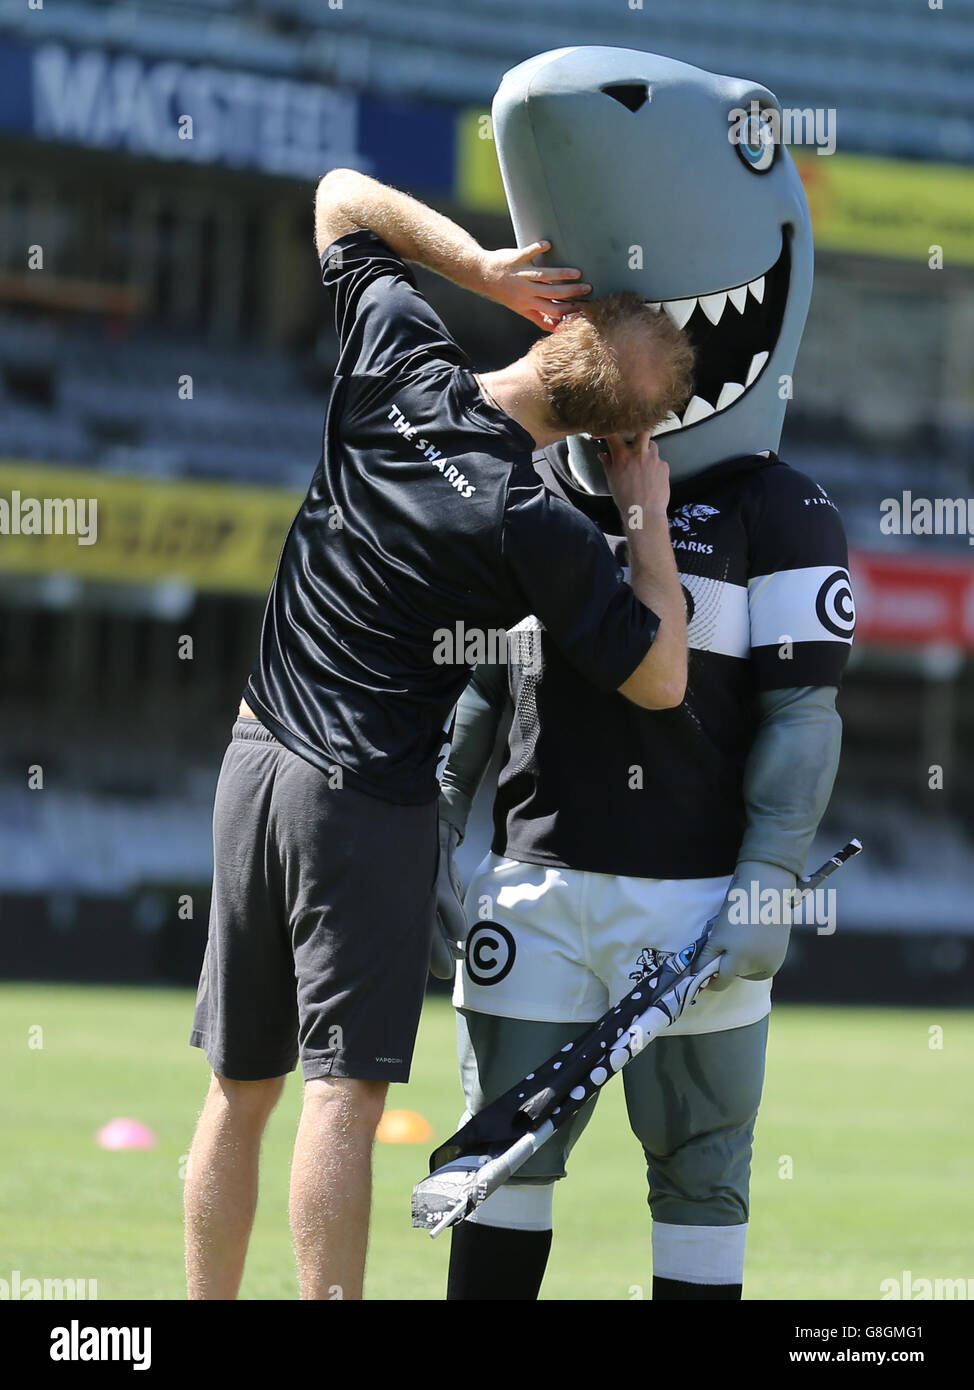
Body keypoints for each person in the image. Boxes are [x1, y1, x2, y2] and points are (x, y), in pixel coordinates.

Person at [183, 167, 694, 1300]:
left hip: (251, 754)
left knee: (238, 1088)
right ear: (613, 435)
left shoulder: (400, 356)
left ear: (552, 323)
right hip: (360, 801)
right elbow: (661, 677)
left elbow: (336, 196)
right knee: (343, 1094)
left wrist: (479, 270)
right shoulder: (535, 521)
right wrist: (644, 513)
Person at [434, 46, 856, 1301]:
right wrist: (443, 848)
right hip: (536, 889)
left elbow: (800, 714)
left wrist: (767, 880)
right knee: (502, 1172)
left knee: (704, 1173)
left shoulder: (788, 512)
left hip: (694, 906)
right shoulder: (522, 488)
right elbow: (474, 694)